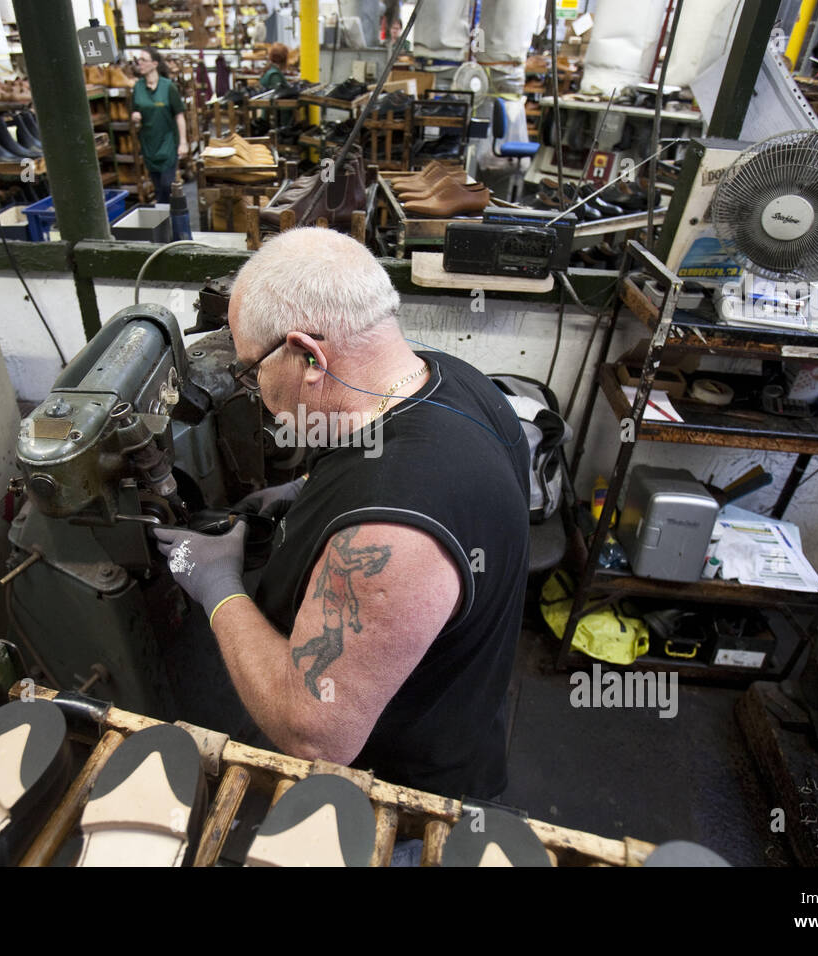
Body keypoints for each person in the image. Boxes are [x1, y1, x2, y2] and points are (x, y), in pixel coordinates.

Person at [152, 228, 530, 800]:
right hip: (456, 703)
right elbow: (392, 463)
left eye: (251, 370)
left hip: (394, 796)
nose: (251, 388)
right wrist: (306, 491)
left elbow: (314, 737)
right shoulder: (451, 381)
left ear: (308, 356)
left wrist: (218, 587)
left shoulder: (392, 535)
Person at [129, 48, 188, 204]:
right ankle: (165, 218)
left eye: (143, 60)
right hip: (149, 143)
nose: (139, 64)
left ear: (154, 64)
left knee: (166, 184)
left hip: (168, 141)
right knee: (157, 186)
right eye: (138, 60)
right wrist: (135, 117)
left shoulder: (168, 86)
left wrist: (183, 142)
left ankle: (170, 218)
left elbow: (179, 115)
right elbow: (135, 111)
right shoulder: (138, 87)